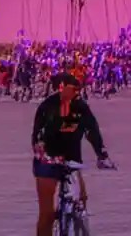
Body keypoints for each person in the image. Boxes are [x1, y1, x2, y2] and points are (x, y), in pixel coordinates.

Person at [31, 73, 115, 236]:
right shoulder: (47, 107)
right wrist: (44, 152)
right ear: (61, 88)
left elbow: (92, 131)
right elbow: (37, 135)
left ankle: (77, 222)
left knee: (82, 198)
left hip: (71, 159)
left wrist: (101, 154)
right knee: (46, 214)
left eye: (78, 89)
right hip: (48, 160)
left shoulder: (81, 106)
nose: (77, 93)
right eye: (73, 89)